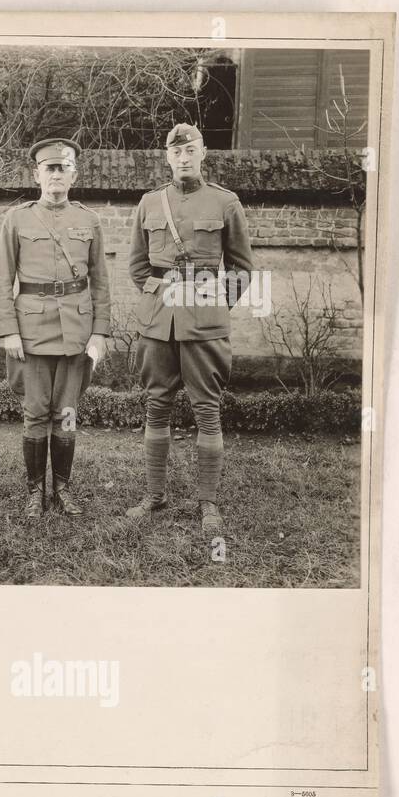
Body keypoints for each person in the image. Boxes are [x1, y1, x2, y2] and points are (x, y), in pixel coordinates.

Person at [126, 123, 256, 534]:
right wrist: (159, 289)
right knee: (156, 406)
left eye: (191, 150)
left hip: (204, 324)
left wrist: (211, 305)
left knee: (207, 410)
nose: (183, 158)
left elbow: (241, 269)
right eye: (176, 152)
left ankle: (208, 502)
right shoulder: (149, 203)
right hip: (158, 322)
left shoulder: (225, 202)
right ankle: (154, 494)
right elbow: (137, 266)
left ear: (203, 154)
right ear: (167, 157)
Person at [0, 137, 111, 518]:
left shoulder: (89, 220)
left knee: (68, 412)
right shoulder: (18, 219)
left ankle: (62, 487)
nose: (56, 174)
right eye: (50, 168)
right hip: (31, 332)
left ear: (74, 173)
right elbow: (0, 279)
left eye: (64, 167)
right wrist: (8, 330)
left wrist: (100, 332)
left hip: (76, 331)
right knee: (35, 413)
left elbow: (101, 281)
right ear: (37, 174)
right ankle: (34, 491)